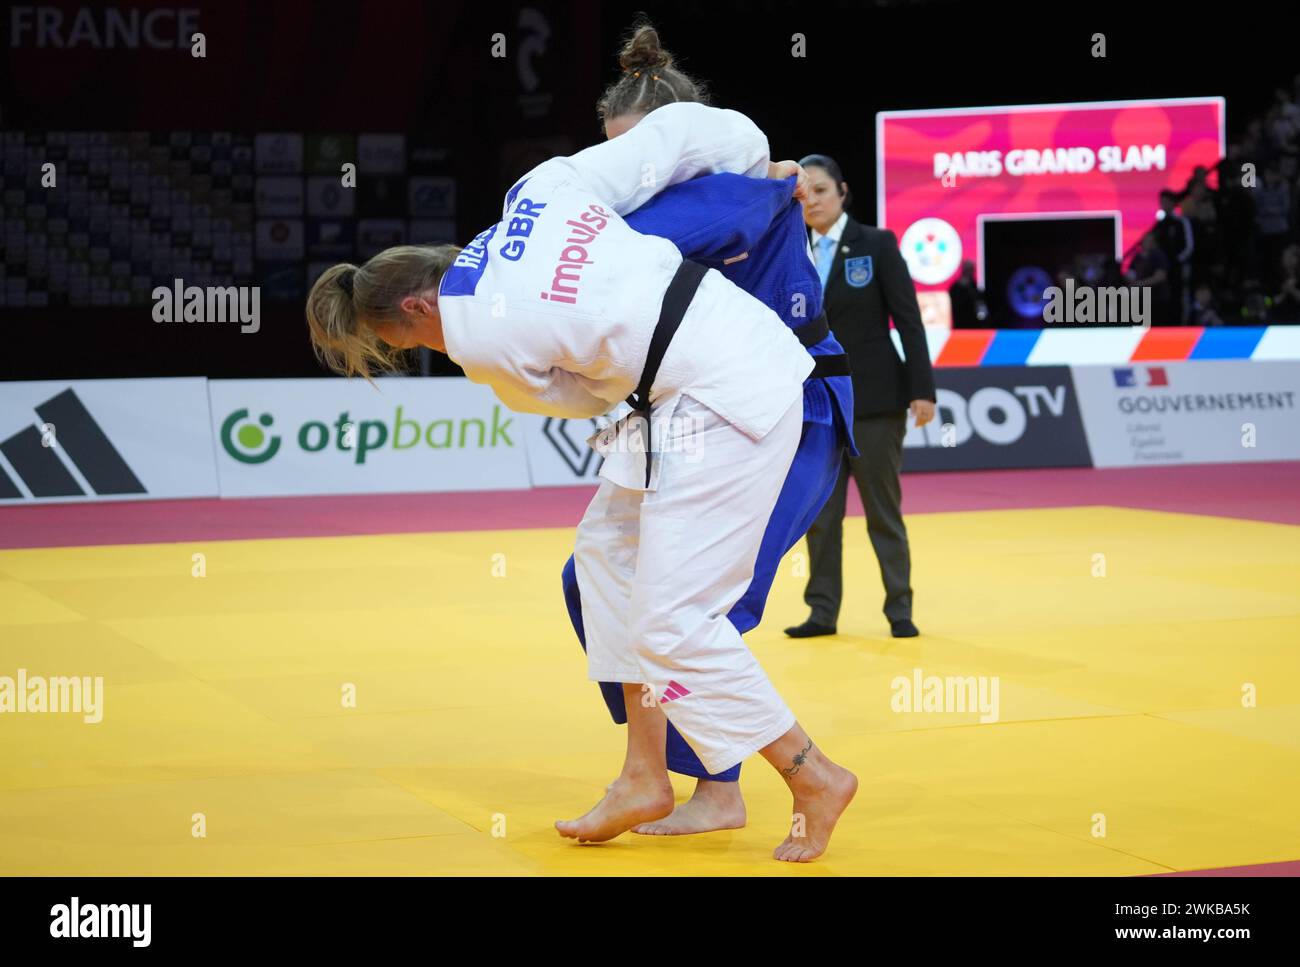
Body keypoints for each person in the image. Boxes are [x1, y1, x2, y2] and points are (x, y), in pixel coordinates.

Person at [304, 99, 858, 861]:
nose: (424, 348)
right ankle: (643, 773)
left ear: (416, 304)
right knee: (603, 555)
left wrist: (607, 352)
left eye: (408, 342)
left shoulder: (476, 336)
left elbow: (577, 398)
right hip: (694, 373)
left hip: (722, 393)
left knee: (673, 624)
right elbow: (670, 139)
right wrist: (755, 156)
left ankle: (813, 774)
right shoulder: (534, 194)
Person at [558, 22, 856, 836]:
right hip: (684, 407)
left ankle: (725, 786)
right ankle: (646, 772)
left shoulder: (744, 187)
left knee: (694, 607)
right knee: (598, 576)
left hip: (792, 408)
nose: (629, 177)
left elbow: (648, 250)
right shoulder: (704, 192)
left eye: (640, 156)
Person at [785, 155, 936, 640]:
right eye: (804, 192)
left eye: (822, 190)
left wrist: (922, 390)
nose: (813, 200)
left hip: (876, 401)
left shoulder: (877, 244)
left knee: (882, 513)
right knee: (821, 518)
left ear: (843, 191)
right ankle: (822, 612)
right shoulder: (789, 251)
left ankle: (900, 609)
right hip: (817, 407)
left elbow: (908, 320)